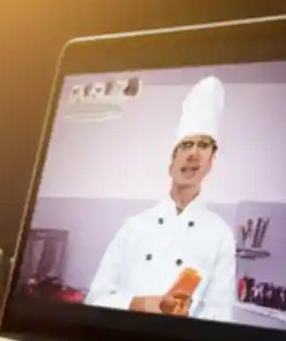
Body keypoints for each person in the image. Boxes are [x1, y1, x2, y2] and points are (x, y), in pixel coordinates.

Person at [85, 76, 237, 321]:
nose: (193, 154)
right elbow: (95, 299)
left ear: (212, 160)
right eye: (186, 145)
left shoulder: (220, 235)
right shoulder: (134, 226)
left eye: (203, 145)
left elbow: (220, 315)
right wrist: (140, 304)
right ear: (171, 162)